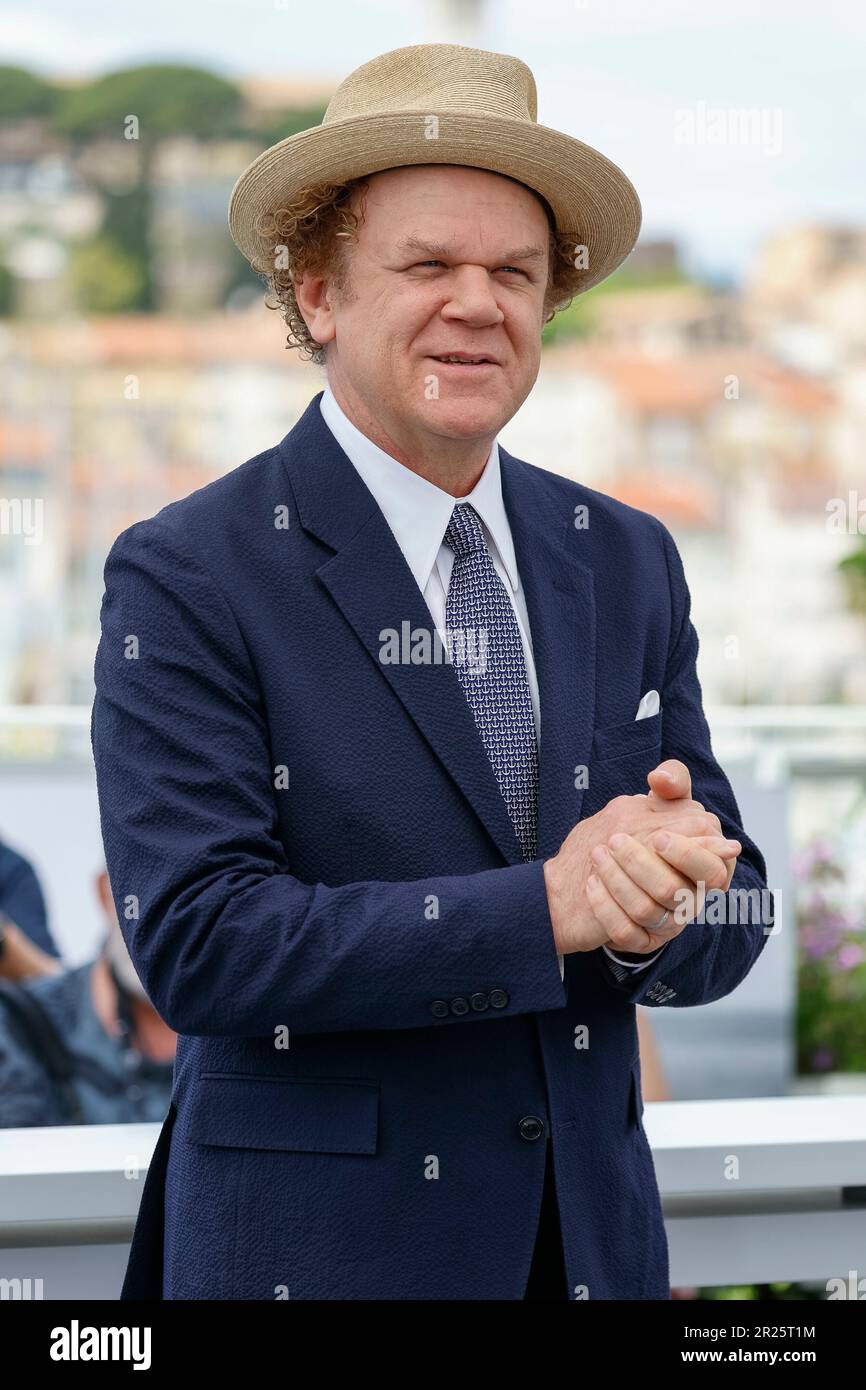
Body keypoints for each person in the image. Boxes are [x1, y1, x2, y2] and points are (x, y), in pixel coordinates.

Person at [91, 43, 773, 1301]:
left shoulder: (623, 556)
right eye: (426, 265)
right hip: (318, 1261)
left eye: (514, 272)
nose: (479, 303)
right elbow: (197, 943)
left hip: (593, 1256)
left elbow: (728, 907)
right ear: (319, 294)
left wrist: (668, 899)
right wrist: (552, 906)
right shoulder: (187, 569)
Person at [0, 869, 175, 1128]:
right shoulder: (21, 1024)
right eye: (158, 892)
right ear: (107, 891)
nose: (176, 922)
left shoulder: (245, 1028)